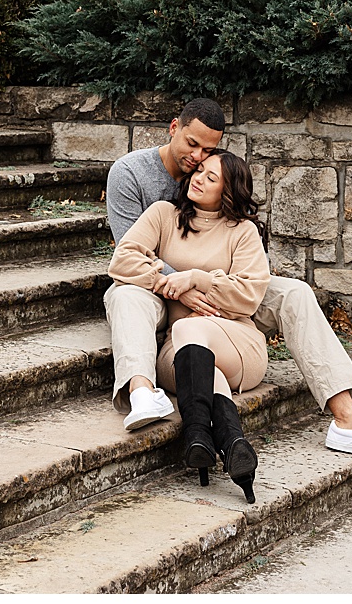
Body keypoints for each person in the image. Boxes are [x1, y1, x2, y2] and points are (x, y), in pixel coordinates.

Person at [103, 97, 352, 459]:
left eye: (209, 151)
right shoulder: (132, 174)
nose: (199, 158)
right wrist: (182, 285)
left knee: (294, 292)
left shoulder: (226, 209)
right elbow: (128, 251)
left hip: (210, 282)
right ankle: (143, 393)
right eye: (192, 145)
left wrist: (198, 279)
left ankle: (348, 420)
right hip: (157, 285)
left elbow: (240, 271)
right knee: (124, 293)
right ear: (174, 128)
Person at [108, 151, 266, 499]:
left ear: (228, 191)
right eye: (199, 171)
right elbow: (122, 261)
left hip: (235, 341)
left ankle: (197, 434)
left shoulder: (243, 232)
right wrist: (168, 283)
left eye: (211, 178)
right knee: (190, 346)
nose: (198, 178)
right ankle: (230, 440)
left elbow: (249, 295)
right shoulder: (164, 214)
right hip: (177, 355)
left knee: (187, 330)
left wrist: (199, 279)